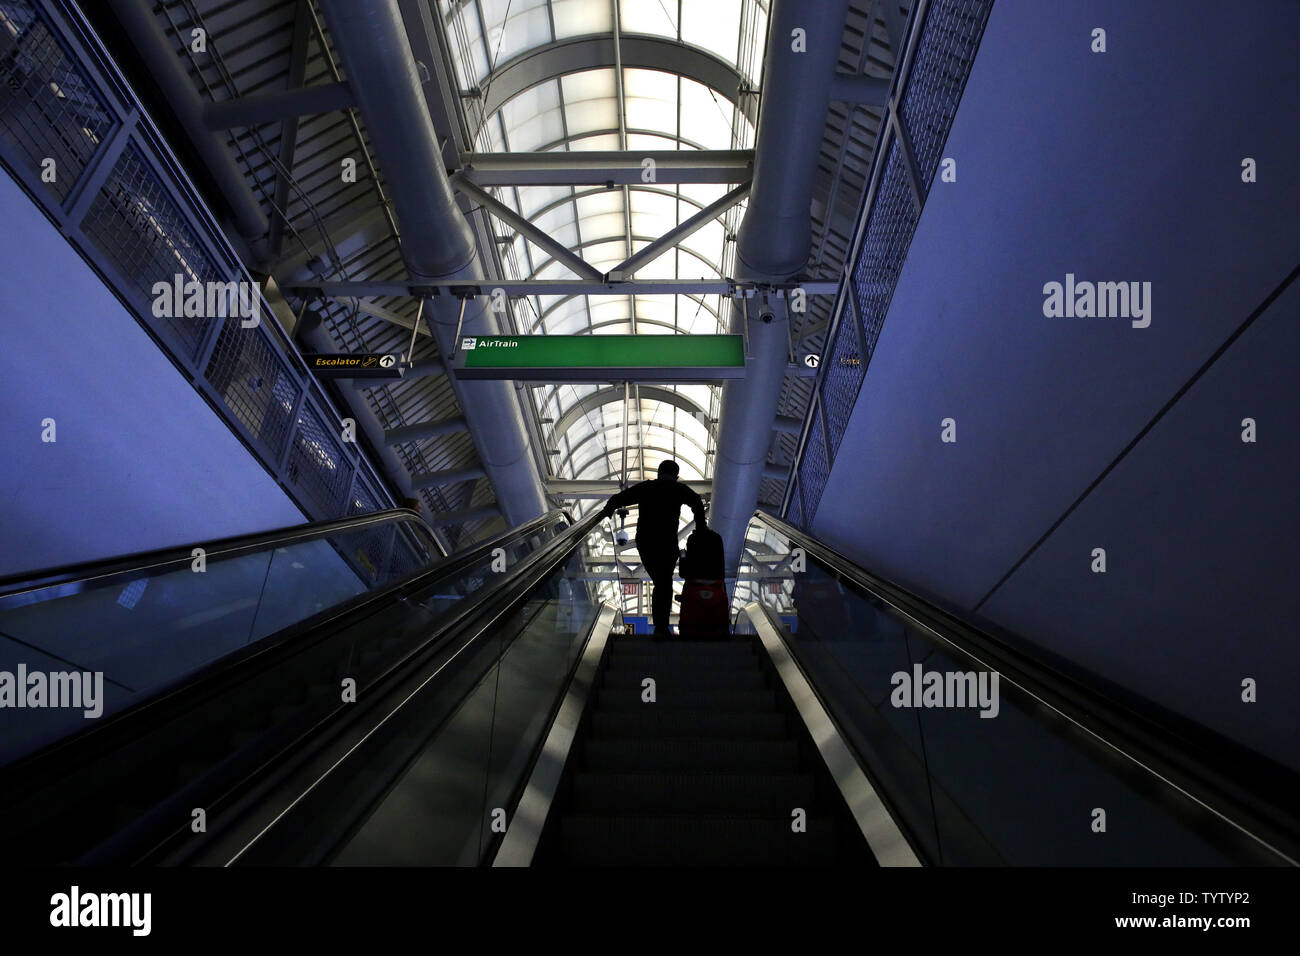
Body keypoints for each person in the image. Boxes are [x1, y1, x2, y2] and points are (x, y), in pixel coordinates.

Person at [600, 460, 706, 637]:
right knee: (664, 582)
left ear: (658, 473)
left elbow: (620, 498)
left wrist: (608, 510)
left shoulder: (647, 487)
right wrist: (701, 527)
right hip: (667, 543)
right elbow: (696, 502)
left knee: (661, 581)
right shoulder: (678, 489)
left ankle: (661, 627)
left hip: (646, 543)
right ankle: (661, 627)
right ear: (676, 476)